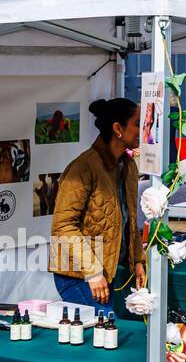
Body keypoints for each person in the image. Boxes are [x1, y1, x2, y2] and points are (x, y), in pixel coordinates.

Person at [49, 97, 145, 310]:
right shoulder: (83, 168)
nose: (144, 130)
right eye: (138, 124)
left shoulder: (128, 167)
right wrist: (92, 272)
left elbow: (129, 219)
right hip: (77, 275)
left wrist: (138, 260)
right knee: (107, 333)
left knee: (111, 334)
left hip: (106, 272)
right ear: (118, 128)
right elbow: (63, 227)